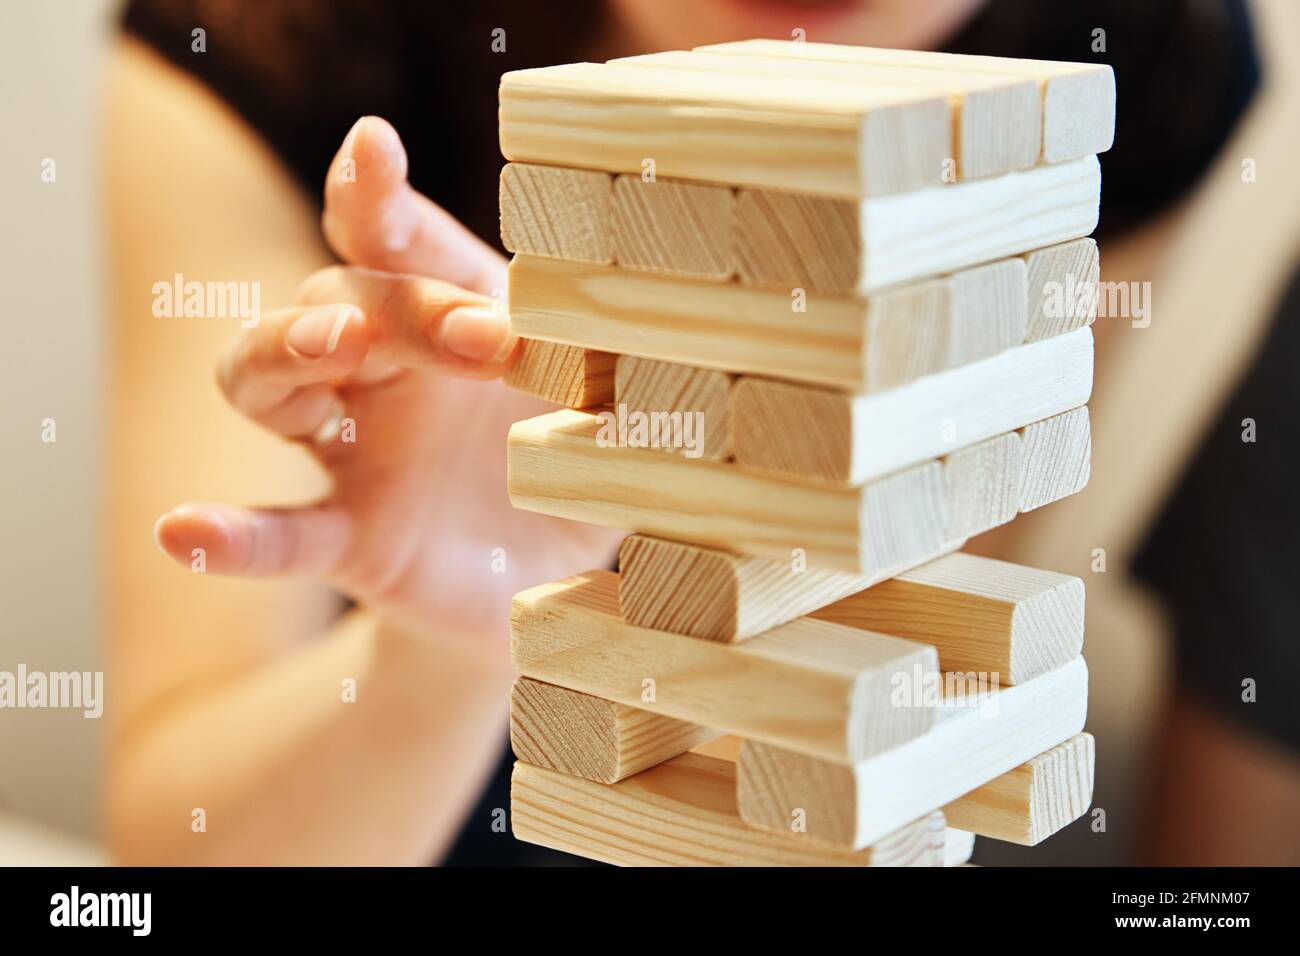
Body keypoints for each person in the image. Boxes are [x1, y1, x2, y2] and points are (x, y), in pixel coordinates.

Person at [105, 0, 1291, 865]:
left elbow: (904, 644)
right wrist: (455, 643)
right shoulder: (276, 36)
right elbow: (174, 857)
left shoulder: (1128, 58)